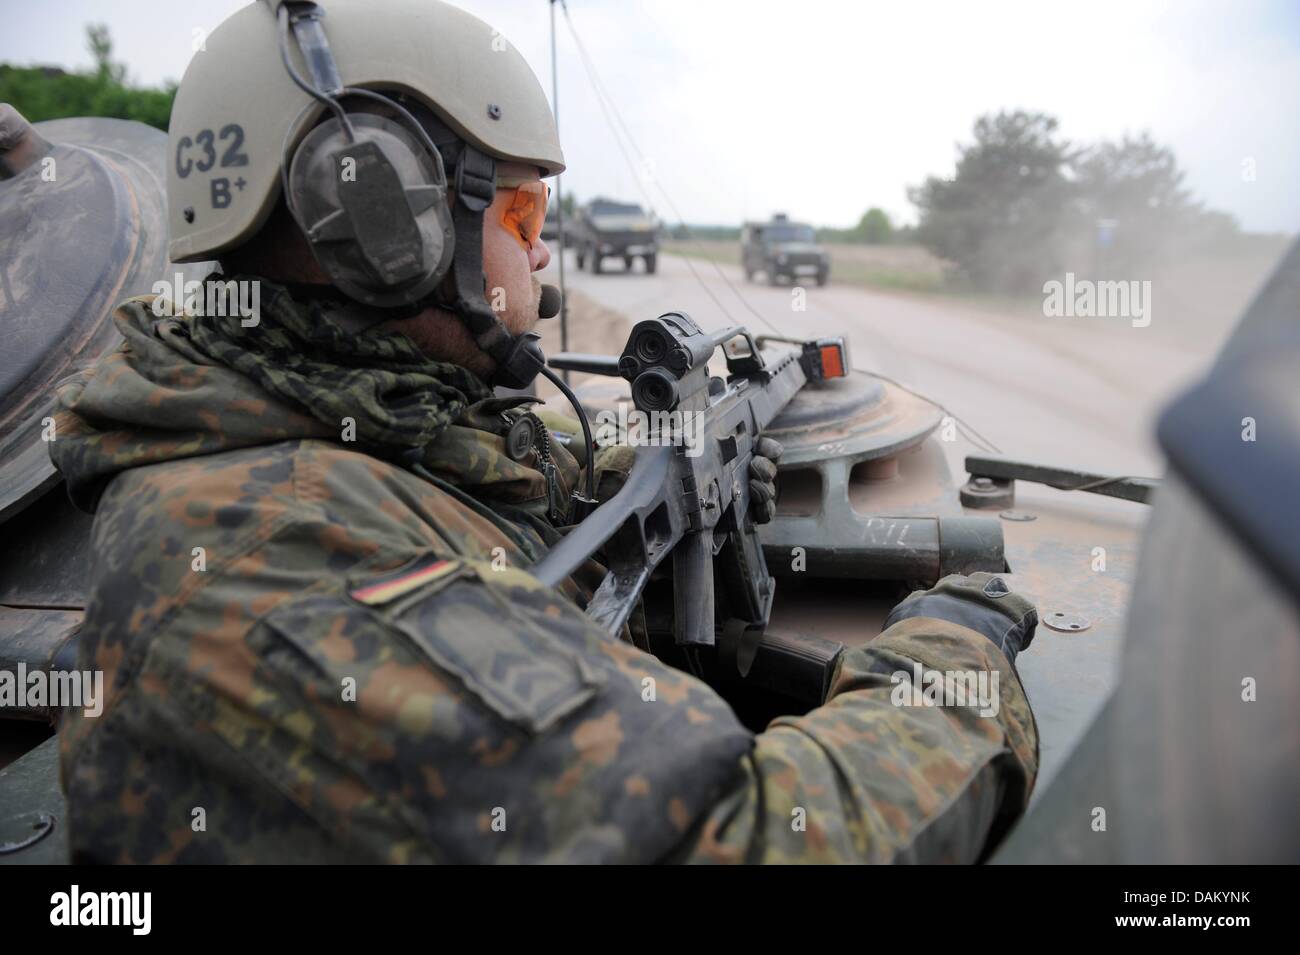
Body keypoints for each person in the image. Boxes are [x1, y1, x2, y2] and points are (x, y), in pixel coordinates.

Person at [49, 0, 1038, 863]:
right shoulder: (280, 551)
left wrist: (623, 478)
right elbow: (742, 842)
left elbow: (454, 482)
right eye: (522, 214)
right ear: (390, 229)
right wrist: (948, 662)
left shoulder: (280, 417)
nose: (543, 254)